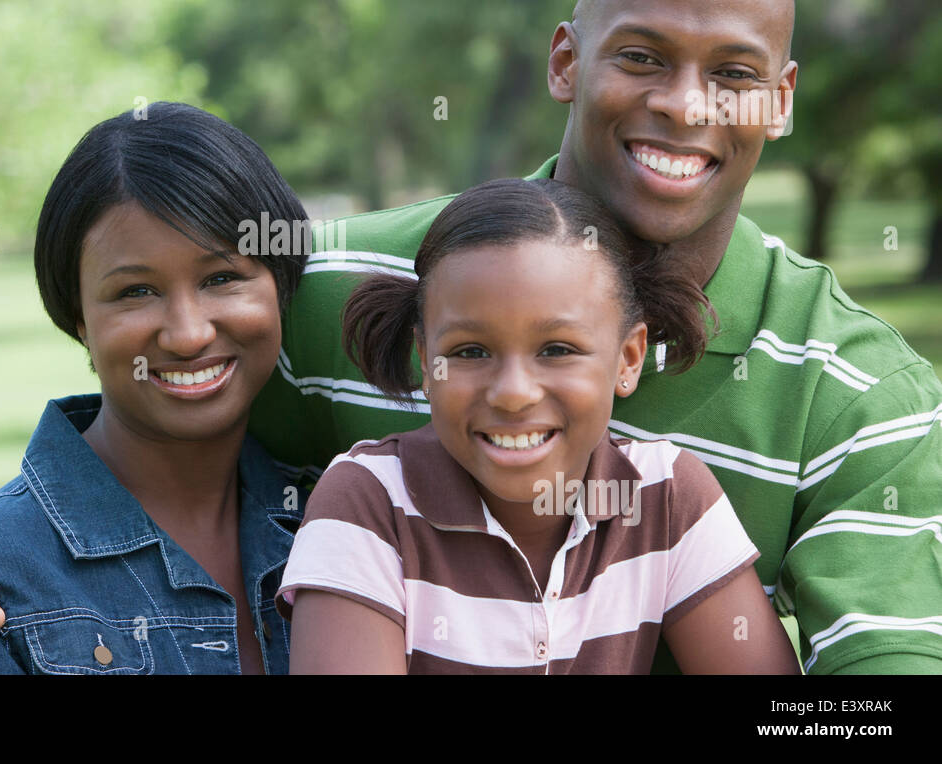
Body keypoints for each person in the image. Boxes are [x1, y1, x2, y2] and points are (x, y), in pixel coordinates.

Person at [0, 0, 942, 674]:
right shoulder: (334, 294)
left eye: (734, 75)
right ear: (566, 61)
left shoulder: (860, 400)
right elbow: (155, 420)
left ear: (783, 98)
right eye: (641, 56)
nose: (686, 106)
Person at [279, 178, 799, 673]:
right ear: (425, 359)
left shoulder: (665, 498)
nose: (512, 393)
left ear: (628, 358)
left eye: (557, 350)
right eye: (470, 351)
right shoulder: (368, 503)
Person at [0, 102, 312, 673]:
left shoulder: (342, 516)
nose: (189, 334)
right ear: (78, 320)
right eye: (135, 292)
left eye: (222, 278)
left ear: (283, 285)